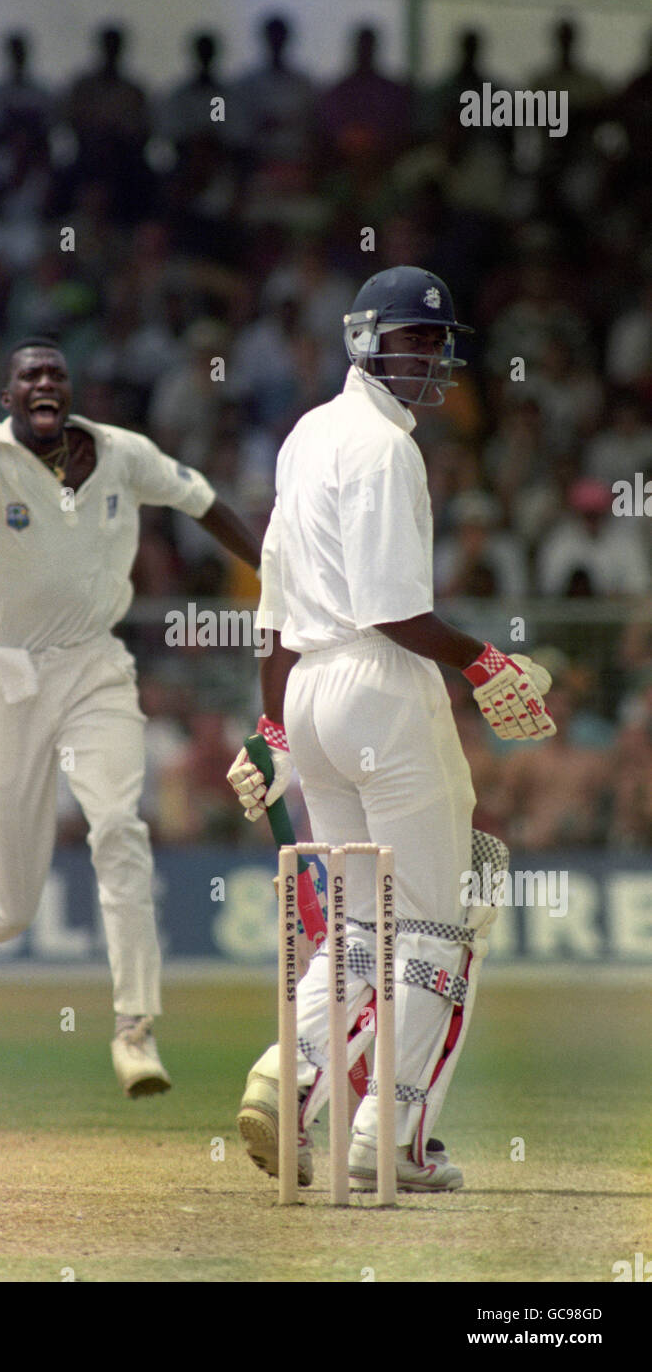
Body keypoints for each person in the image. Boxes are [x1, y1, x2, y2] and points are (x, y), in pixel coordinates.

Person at [0, 316, 260, 1098]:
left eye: (56, 375)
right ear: (8, 396)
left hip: (97, 666)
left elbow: (202, 500)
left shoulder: (121, 453)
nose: (44, 383)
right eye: (29, 376)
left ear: (69, 392)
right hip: (10, 681)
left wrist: (274, 567)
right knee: (12, 904)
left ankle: (135, 1027)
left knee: (119, 829)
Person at [227, 266, 556, 1191]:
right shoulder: (386, 448)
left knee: (358, 928)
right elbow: (390, 611)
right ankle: (386, 1138)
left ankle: (285, 1076)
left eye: (438, 344)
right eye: (415, 341)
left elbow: (276, 605)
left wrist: (275, 728)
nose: (431, 360)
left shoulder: (304, 436)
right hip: (379, 684)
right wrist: (483, 662)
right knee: (437, 925)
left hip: (310, 691)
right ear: (366, 342)